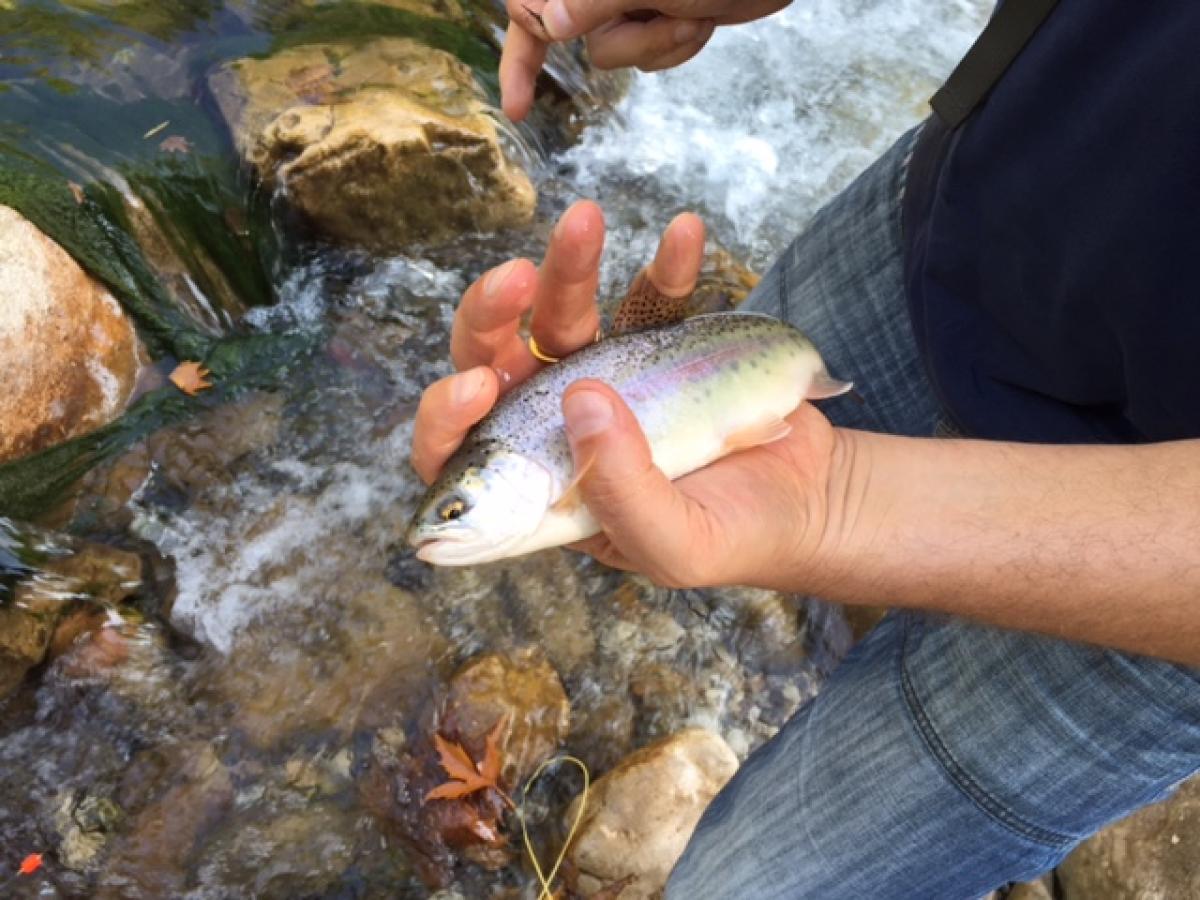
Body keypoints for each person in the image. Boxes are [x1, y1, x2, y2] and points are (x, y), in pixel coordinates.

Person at [411, 1, 1200, 896]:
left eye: (454, 509)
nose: (438, 531)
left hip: (1166, 597)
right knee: (721, 467)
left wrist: (838, 511)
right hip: (967, 210)